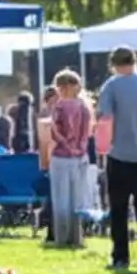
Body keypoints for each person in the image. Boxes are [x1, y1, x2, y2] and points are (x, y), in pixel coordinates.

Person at [97, 46, 137, 271]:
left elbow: (106, 119)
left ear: (113, 64)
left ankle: (121, 257)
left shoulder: (111, 86)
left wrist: (103, 147)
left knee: (119, 209)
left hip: (120, 154)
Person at [48, 70, 92, 248]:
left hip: (61, 156)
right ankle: (77, 237)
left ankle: (62, 237)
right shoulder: (84, 106)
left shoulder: (58, 107)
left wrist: (67, 145)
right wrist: (79, 148)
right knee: (78, 199)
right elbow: (86, 133)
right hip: (81, 156)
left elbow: (55, 132)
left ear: (62, 87)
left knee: (61, 199)